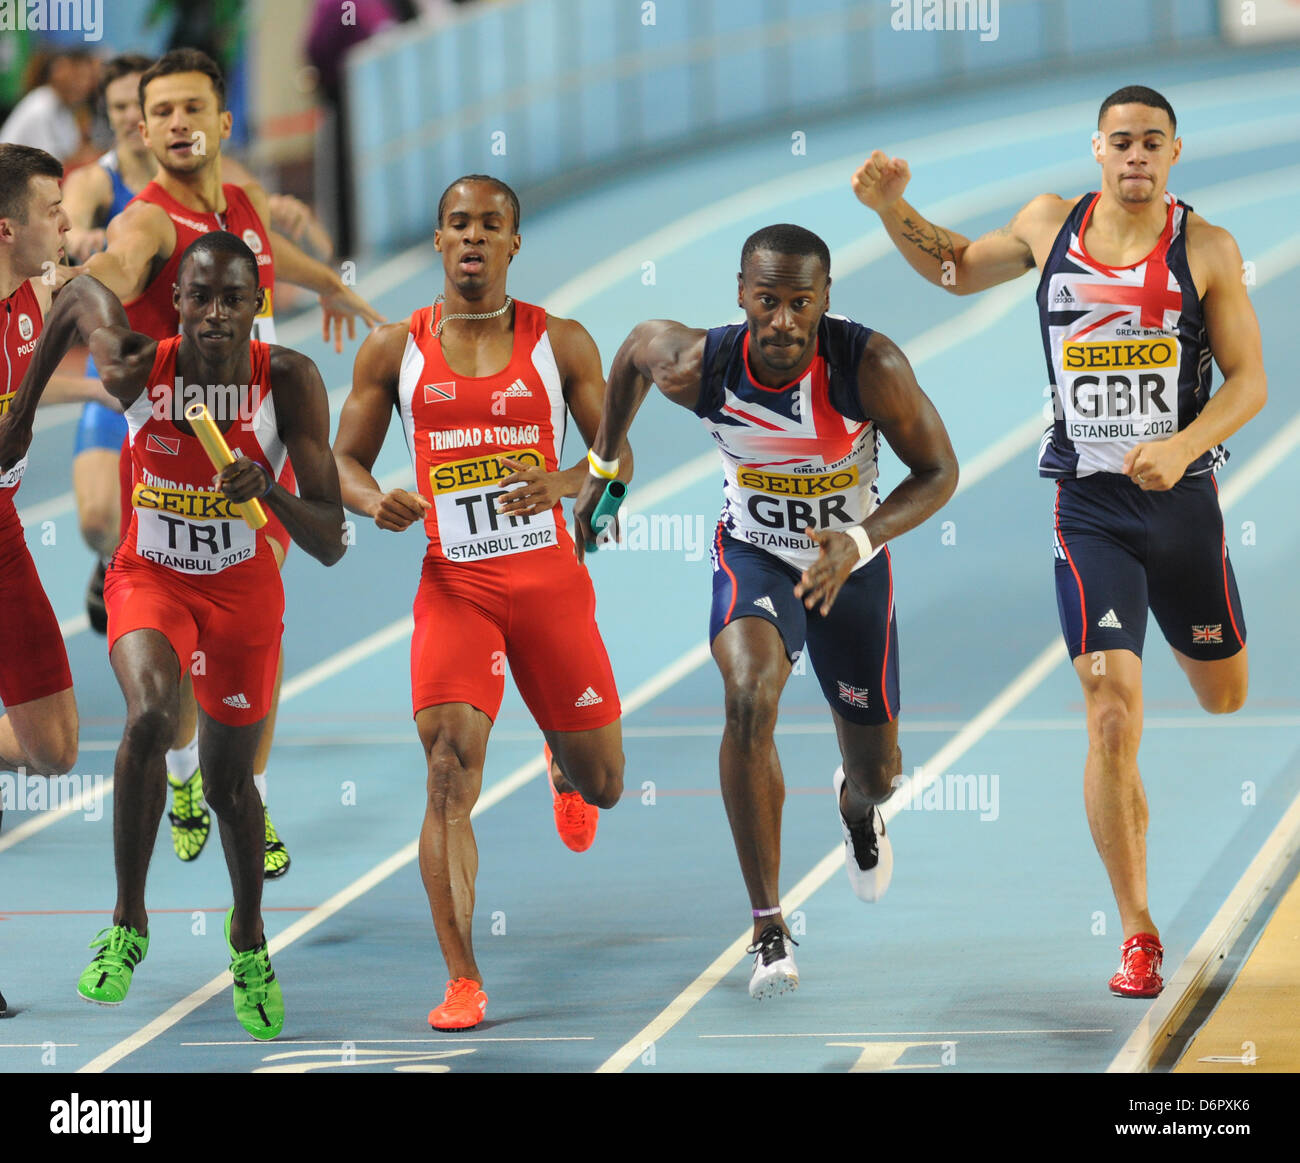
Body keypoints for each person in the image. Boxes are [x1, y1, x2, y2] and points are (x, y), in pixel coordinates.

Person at [853, 84, 1266, 997]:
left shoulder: (1205, 249)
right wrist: (892, 211)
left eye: (1151, 143)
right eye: (1121, 142)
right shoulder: (1050, 227)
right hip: (1091, 510)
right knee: (1110, 711)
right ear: (1096, 150)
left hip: (1183, 505)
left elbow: (1249, 382)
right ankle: (1138, 930)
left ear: (1174, 153)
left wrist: (1187, 443)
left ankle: (1192, 668)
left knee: (1225, 696)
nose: (1135, 158)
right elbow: (957, 266)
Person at [574, 223, 958, 999]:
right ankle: (768, 921)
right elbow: (632, 353)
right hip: (753, 554)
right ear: (742, 294)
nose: (783, 320)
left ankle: (856, 809)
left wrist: (858, 537)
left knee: (879, 772)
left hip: (848, 565)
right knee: (748, 698)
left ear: (823, 303)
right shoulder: (699, 364)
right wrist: (604, 462)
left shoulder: (868, 366)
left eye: (801, 303)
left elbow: (939, 471)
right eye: (768, 300)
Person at [11, 232, 347, 1037]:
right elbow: (73, 299)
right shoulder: (139, 368)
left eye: (234, 298)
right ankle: (128, 920)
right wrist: (19, 418)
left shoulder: (289, 381)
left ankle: (248, 938)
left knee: (233, 788)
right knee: (151, 718)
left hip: (241, 596)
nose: (215, 314)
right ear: (180, 304)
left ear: (256, 305)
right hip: (150, 578)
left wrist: (267, 490)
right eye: (199, 297)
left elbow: (333, 537)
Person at [333, 174, 629, 1031]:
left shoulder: (561, 341)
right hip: (454, 585)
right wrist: (370, 499)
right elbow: (342, 463)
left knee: (604, 783)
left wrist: (568, 480)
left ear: (513, 244)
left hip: (547, 585)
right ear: (436, 241)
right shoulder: (393, 350)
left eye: (489, 225)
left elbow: (618, 460)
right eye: (457, 223)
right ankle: (463, 976)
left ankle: (561, 757)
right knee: (447, 770)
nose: (472, 236)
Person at [79, 48, 383, 881]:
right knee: (175, 696)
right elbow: (106, 271)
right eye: (161, 112)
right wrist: (77, 287)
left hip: (262, 442)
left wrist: (329, 286)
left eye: (193, 109)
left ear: (222, 122)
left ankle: (243, 785)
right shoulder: (146, 222)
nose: (177, 124)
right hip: (181, 452)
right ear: (143, 129)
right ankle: (183, 776)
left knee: (258, 637)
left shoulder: (240, 202)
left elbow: (272, 256)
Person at [0, 50, 98, 165]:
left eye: (88, 78)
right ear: (59, 71)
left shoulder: (65, 109)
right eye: (79, 76)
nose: (83, 85)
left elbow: (74, 154)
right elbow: (49, 167)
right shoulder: (40, 106)